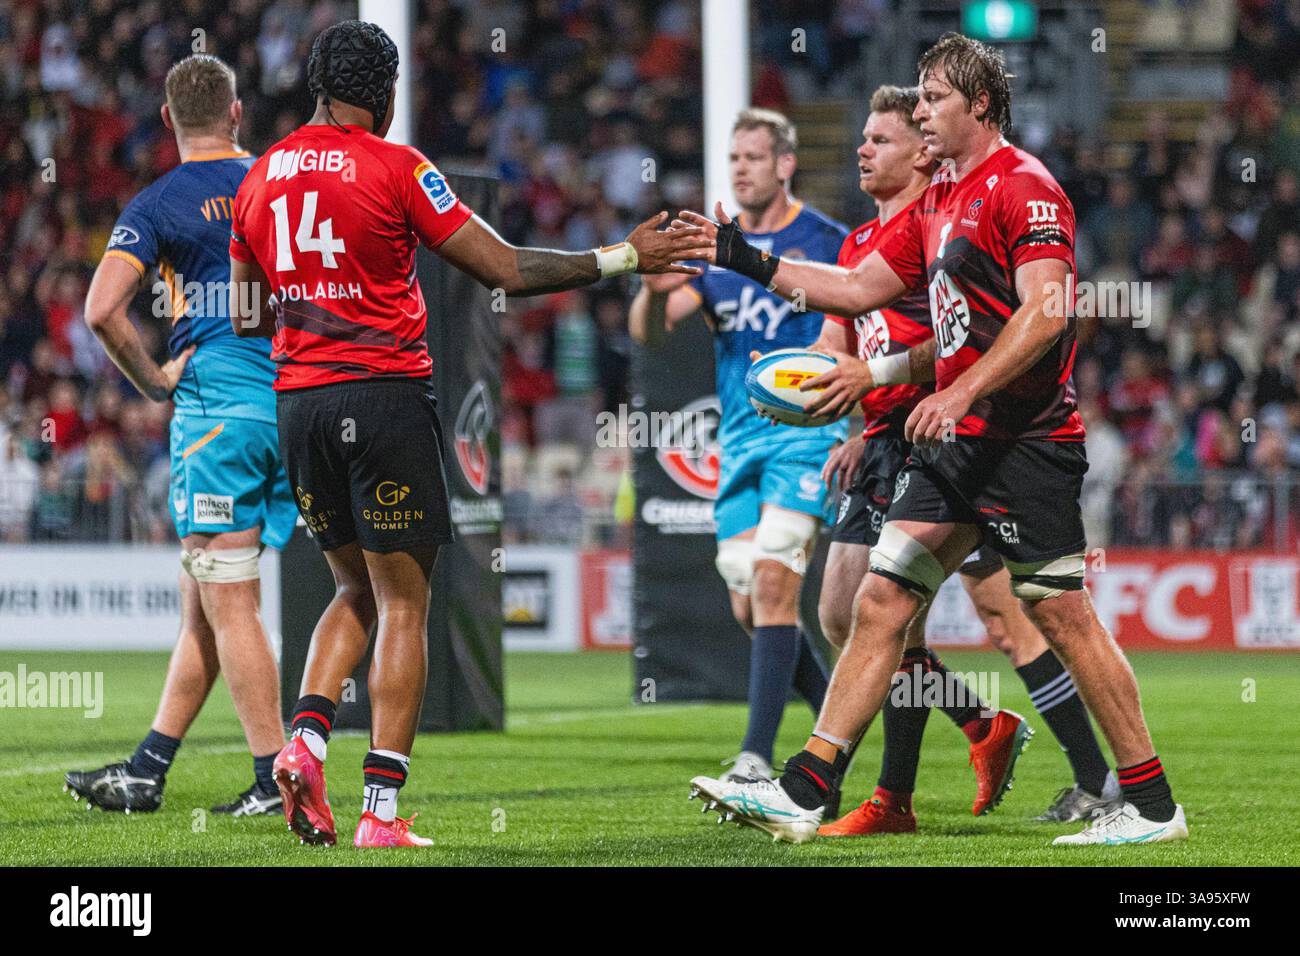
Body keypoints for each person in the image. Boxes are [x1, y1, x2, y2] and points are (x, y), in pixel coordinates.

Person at [686, 33, 1185, 847]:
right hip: (955, 445)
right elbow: (852, 289)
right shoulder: (936, 201)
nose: (918, 109)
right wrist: (735, 252)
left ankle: (1152, 806)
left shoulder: (1025, 186)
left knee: (1062, 617)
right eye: (915, 98)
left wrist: (960, 386)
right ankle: (803, 791)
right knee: (878, 601)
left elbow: (1050, 310)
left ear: (979, 105)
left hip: (1022, 441)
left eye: (932, 98)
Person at [228, 20, 710, 848]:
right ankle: (380, 814)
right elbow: (507, 270)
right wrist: (625, 257)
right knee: (404, 605)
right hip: (384, 398)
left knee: (351, 591)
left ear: (314, 86)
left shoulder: (260, 178)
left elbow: (244, 317)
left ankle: (305, 743)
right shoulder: (397, 165)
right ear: (381, 94)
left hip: (298, 403)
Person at [806, 86, 1118, 836]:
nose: (864, 150)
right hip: (895, 443)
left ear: (922, 150)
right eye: (867, 137)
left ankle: (1079, 775)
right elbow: (841, 343)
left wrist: (913, 396)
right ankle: (968, 739)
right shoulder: (858, 248)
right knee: (867, 614)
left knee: (992, 618)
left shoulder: (944, 230)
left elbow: (953, 348)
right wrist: (826, 405)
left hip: (963, 442)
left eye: (883, 139)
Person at [66, 54, 295, 817]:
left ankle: (272, 778)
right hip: (299, 401)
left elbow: (101, 311)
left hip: (217, 412)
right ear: (236, 113)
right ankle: (147, 770)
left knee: (228, 600)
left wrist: (155, 380)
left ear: (167, 120)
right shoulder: (280, 180)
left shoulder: (159, 203)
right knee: (203, 597)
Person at [629, 109, 847, 795]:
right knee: (751, 602)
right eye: (735, 158)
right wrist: (650, 283)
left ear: (785, 163)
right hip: (741, 440)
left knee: (777, 585)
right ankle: (842, 737)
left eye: (755, 156)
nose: (742, 168)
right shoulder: (718, 251)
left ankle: (757, 758)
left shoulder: (826, 241)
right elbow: (653, 334)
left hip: (807, 433)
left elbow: (855, 328)